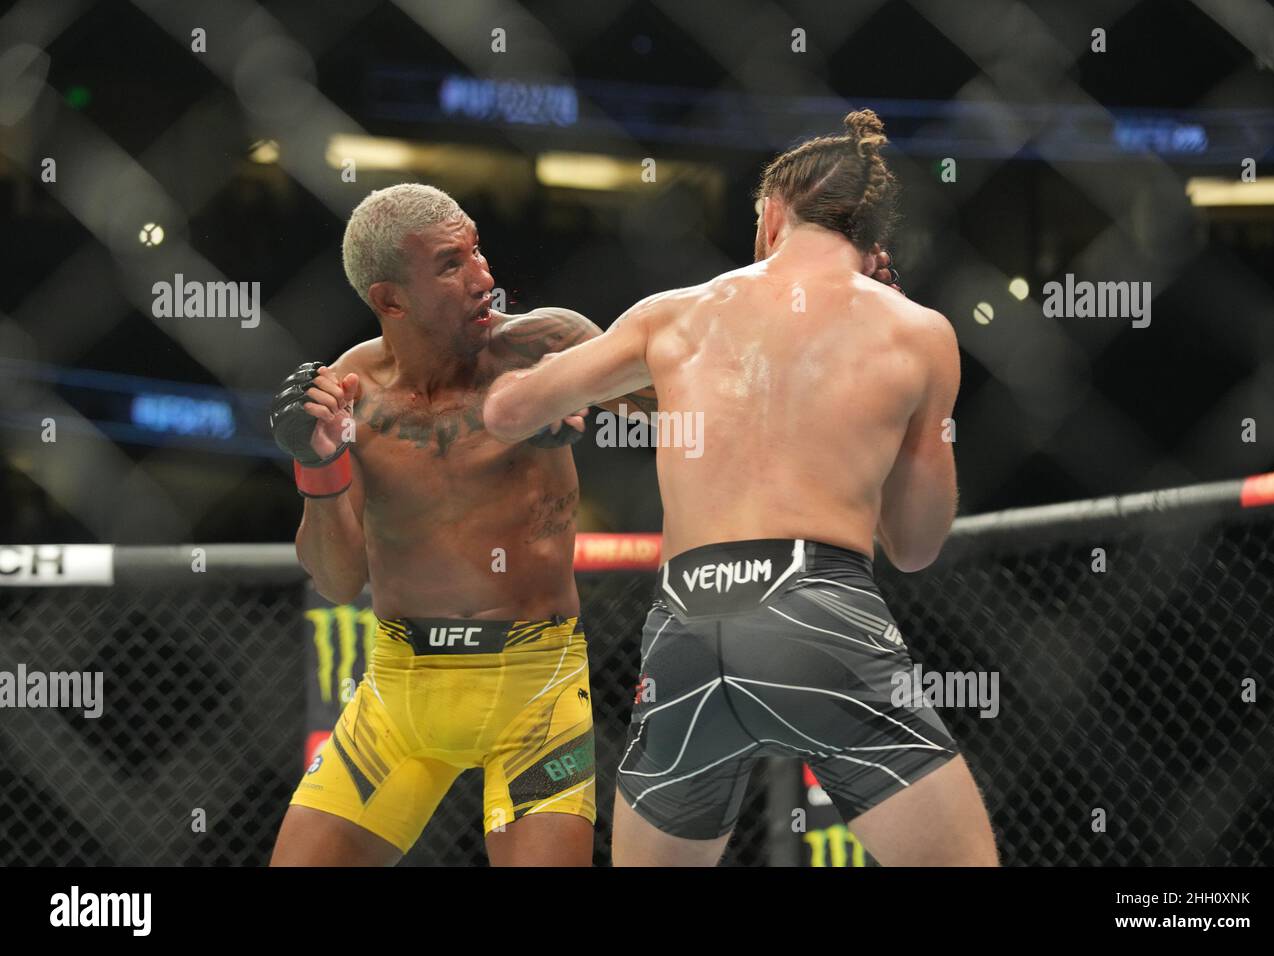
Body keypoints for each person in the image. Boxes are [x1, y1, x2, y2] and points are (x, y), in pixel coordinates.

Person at [483, 110, 999, 866]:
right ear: (870, 237)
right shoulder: (917, 331)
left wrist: (588, 383)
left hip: (685, 628)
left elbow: (505, 410)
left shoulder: (677, 313)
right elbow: (916, 546)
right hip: (819, 616)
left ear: (775, 214)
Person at [268, 183, 650, 866]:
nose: (485, 279)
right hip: (397, 693)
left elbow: (693, 394)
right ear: (390, 299)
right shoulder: (352, 391)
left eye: (478, 253)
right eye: (451, 265)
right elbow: (336, 578)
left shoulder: (545, 349)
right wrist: (317, 468)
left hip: (535, 688)